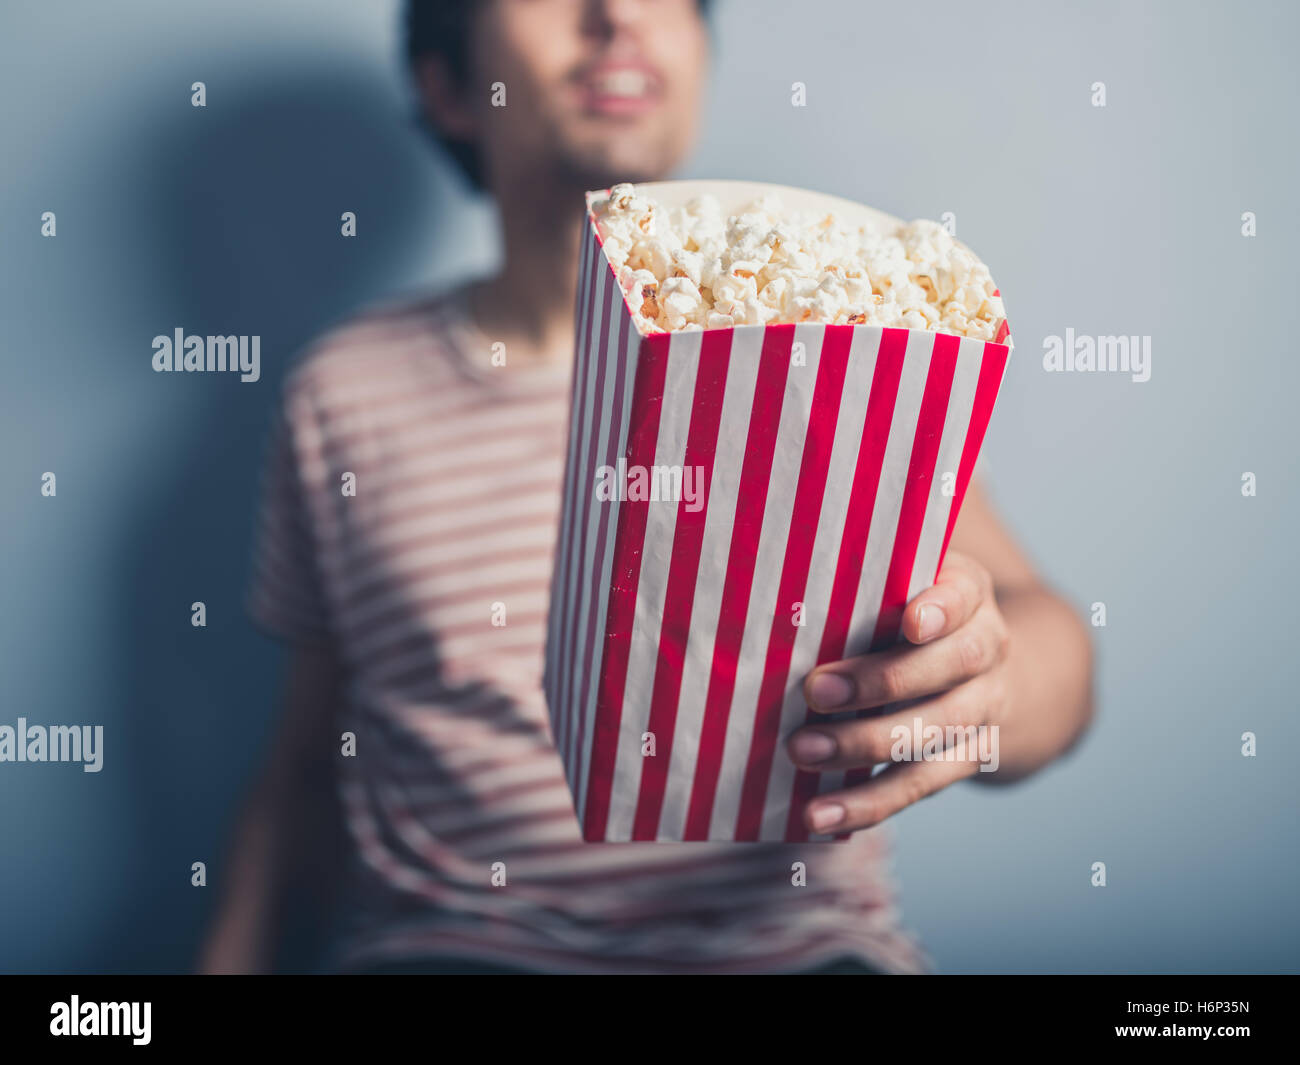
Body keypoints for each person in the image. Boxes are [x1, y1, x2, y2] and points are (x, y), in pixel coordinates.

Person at [197, 0, 1093, 976]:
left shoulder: (837, 363)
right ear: (450, 86)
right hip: (451, 952)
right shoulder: (343, 394)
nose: (617, 15)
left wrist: (985, 690)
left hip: (791, 949)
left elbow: (1047, 649)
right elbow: (306, 770)